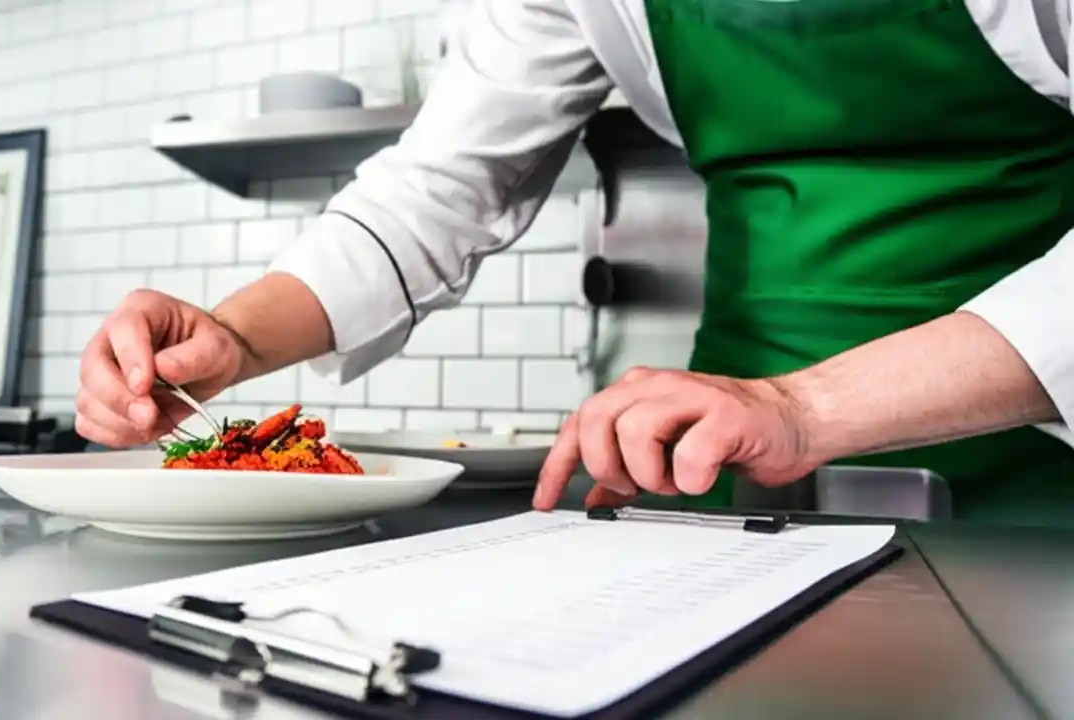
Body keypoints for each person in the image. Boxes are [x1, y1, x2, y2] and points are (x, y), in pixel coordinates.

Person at [76, 0, 1074, 525]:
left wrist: (806, 409)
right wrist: (238, 337)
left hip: (1028, 418)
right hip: (721, 441)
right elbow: (436, 187)